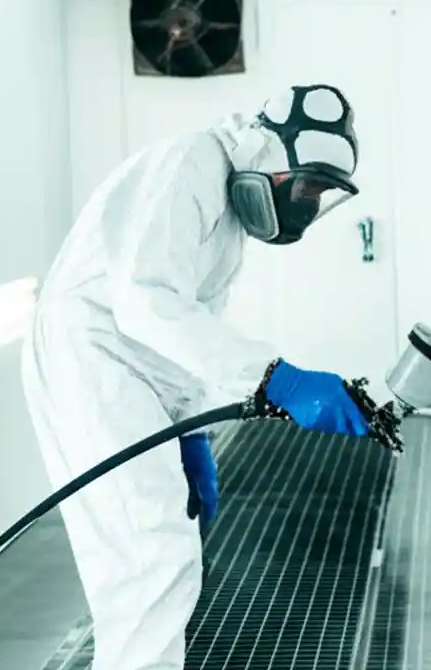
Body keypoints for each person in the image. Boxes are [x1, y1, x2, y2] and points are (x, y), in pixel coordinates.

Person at [20, 84, 372, 669]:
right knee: (148, 557)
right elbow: (144, 300)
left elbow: (184, 328)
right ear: (266, 155)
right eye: (306, 186)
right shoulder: (192, 164)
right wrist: (278, 379)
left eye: (319, 194)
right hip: (92, 360)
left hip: (131, 372)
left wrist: (190, 432)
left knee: (159, 553)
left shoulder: (227, 217)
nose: (308, 205)